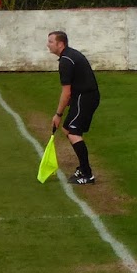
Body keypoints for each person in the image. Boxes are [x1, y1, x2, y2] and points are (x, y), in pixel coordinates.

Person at [47, 30, 100, 184]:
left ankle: (87, 174)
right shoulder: (69, 55)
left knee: (73, 133)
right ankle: (83, 168)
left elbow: (66, 92)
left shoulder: (66, 61)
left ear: (60, 44)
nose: (48, 45)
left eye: (51, 41)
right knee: (67, 129)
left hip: (85, 98)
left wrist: (58, 114)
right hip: (82, 96)